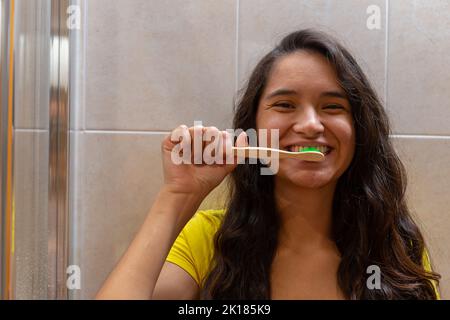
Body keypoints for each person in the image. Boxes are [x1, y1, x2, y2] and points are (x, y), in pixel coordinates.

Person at [96, 29, 440, 300]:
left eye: (333, 107)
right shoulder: (208, 240)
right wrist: (176, 195)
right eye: (286, 105)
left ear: (359, 130)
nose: (309, 124)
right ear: (253, 129)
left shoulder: (394, 248)